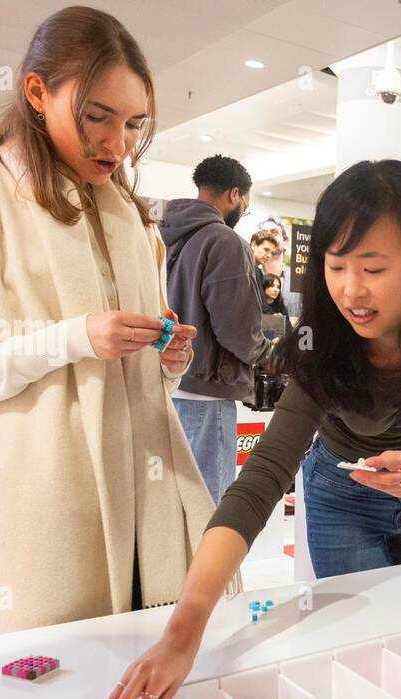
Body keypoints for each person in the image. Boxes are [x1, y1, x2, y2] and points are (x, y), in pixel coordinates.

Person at [109, 158, 401, 699]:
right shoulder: (324, 340)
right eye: (336, 266)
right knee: (364, 650)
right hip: (342, 497)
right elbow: (264, 473)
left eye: (372, 268)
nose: (350, 290)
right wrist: (185, 627)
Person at [0, 5, 215, 640]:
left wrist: (164, 362)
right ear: (37, 93)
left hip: (148, 513)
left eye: (133, 123)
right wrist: (75, 339)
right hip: (39, 518)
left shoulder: (132, 219)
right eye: (98, 116)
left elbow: (136, 376)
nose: (117, 143)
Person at [159, 154, 266, 503]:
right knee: (210, 506)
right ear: (234, 194)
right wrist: (269, 354)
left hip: (168, 384)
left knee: (175, 505)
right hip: (208, 391)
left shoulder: (165, 235)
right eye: (245, 206)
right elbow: (236, 329)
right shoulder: (225, 242)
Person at [250, 227, 281, 298]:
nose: (269, 255)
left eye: (272, 253)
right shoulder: (241, 266)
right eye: (266, 249)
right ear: (254, 245)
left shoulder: (258, 272)